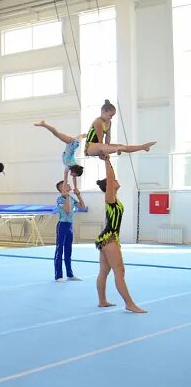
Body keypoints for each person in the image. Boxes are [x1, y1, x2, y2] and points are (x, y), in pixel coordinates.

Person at [95, 155, 145, 313]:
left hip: (106, 237)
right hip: (109, 238)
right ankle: (129, 303)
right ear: (109, 186)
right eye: (113, 181)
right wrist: (106, 160)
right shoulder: (109, 198)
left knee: (104, 271)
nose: (116, 181)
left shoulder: (114, 199)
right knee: (119, 271)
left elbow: (111, 177)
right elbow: (111, 176)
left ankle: (102, 301)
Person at [84, 100, 156, 158]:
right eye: (110, 115)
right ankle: (116, 149)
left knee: (121, 145)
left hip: (101, 146)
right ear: (103, 112)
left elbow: (108, 137)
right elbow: (100, 140)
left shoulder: (109, 122)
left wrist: (108, 147)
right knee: (108, 147)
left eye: (113, 116)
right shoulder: (98, 122)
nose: (111, 117)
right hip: (90, 147)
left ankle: (143, 147)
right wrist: (104, 152)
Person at [34, 121, 86, 190]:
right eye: (75, 175)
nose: (74, 176)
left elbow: (73, 179)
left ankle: (85, 135)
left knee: (82, 136)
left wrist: (76, 187)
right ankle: (44, 124)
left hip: (75, 145)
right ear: (74, 171)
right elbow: (65, 179)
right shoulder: (68, 165)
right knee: (56, 134)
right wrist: (64, 189)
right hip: (71, 143)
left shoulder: (73, 166)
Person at [55, 181, 85, 282]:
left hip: (69, 226)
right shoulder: (60, 199)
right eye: (65, 185)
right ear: (61, 189)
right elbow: (67, 210)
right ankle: (58, 276)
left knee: (68, 251)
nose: (68, 185)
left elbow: (82, 207)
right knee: (60, 251)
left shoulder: (71, 198)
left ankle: (70, 274)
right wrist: (67, 196)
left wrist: (79, 195)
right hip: (62, 226)